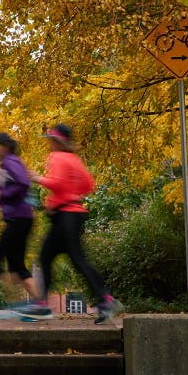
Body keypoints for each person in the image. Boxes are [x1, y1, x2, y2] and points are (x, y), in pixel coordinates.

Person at [21, 124, 123, 325]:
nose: (48, 143)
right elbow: (89, 185)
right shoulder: (75, 159)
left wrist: (36, 178)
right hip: (72, 214)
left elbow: (56, 183)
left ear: (57, 141)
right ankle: (105, 299)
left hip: (65, 216)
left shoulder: (57, 157)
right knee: (61, 258)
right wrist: (68, 196)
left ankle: (44, 305)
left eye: (50, 139)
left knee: (61, 258)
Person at [0, 132, 41, 306]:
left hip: (19, 219)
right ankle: (39, 305)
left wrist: (2, 193)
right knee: (16, 267)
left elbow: (23, 183)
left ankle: (17, 302)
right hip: (18, 218)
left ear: (4, 146)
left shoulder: (11, 162)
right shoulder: (5, 165)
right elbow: (7, 197)